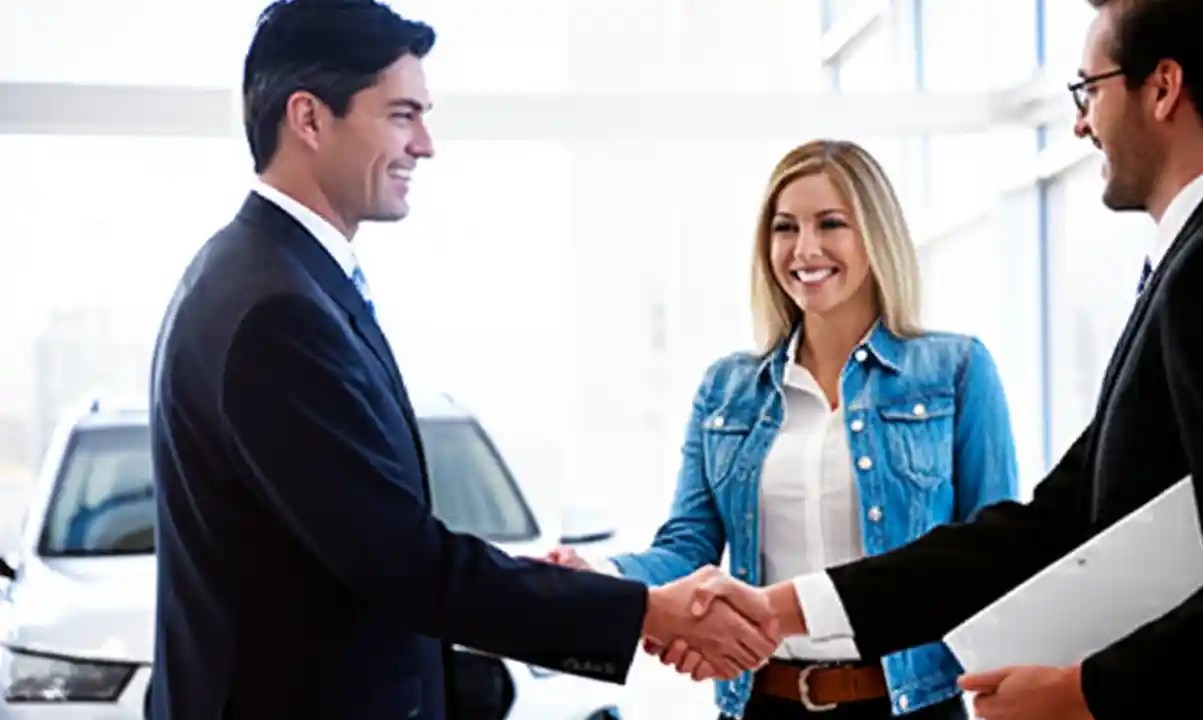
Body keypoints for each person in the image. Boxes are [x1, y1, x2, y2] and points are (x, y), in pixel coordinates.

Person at [145, 2, 778, 719]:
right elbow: (404, 565)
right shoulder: (276, 309)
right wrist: (644, 613)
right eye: (401, 114)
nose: (425, 144)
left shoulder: (271, 276)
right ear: (310, 119)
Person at [665, 1, 1203, 718]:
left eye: (1089, 90)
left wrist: (1081, 692)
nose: (1081, 123)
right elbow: (1056, 521)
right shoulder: (1202, 259)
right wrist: (784, 607)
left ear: (1163, 88)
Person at [546, 139, 1020, 719]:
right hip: (762, 704)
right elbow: (688, 546)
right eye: (785, 228)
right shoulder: (727, 389)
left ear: (876, 234)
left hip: (910, 705)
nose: (805, 249)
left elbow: (995, 553)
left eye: (831, 224)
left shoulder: (957, 371)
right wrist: (601, 576)